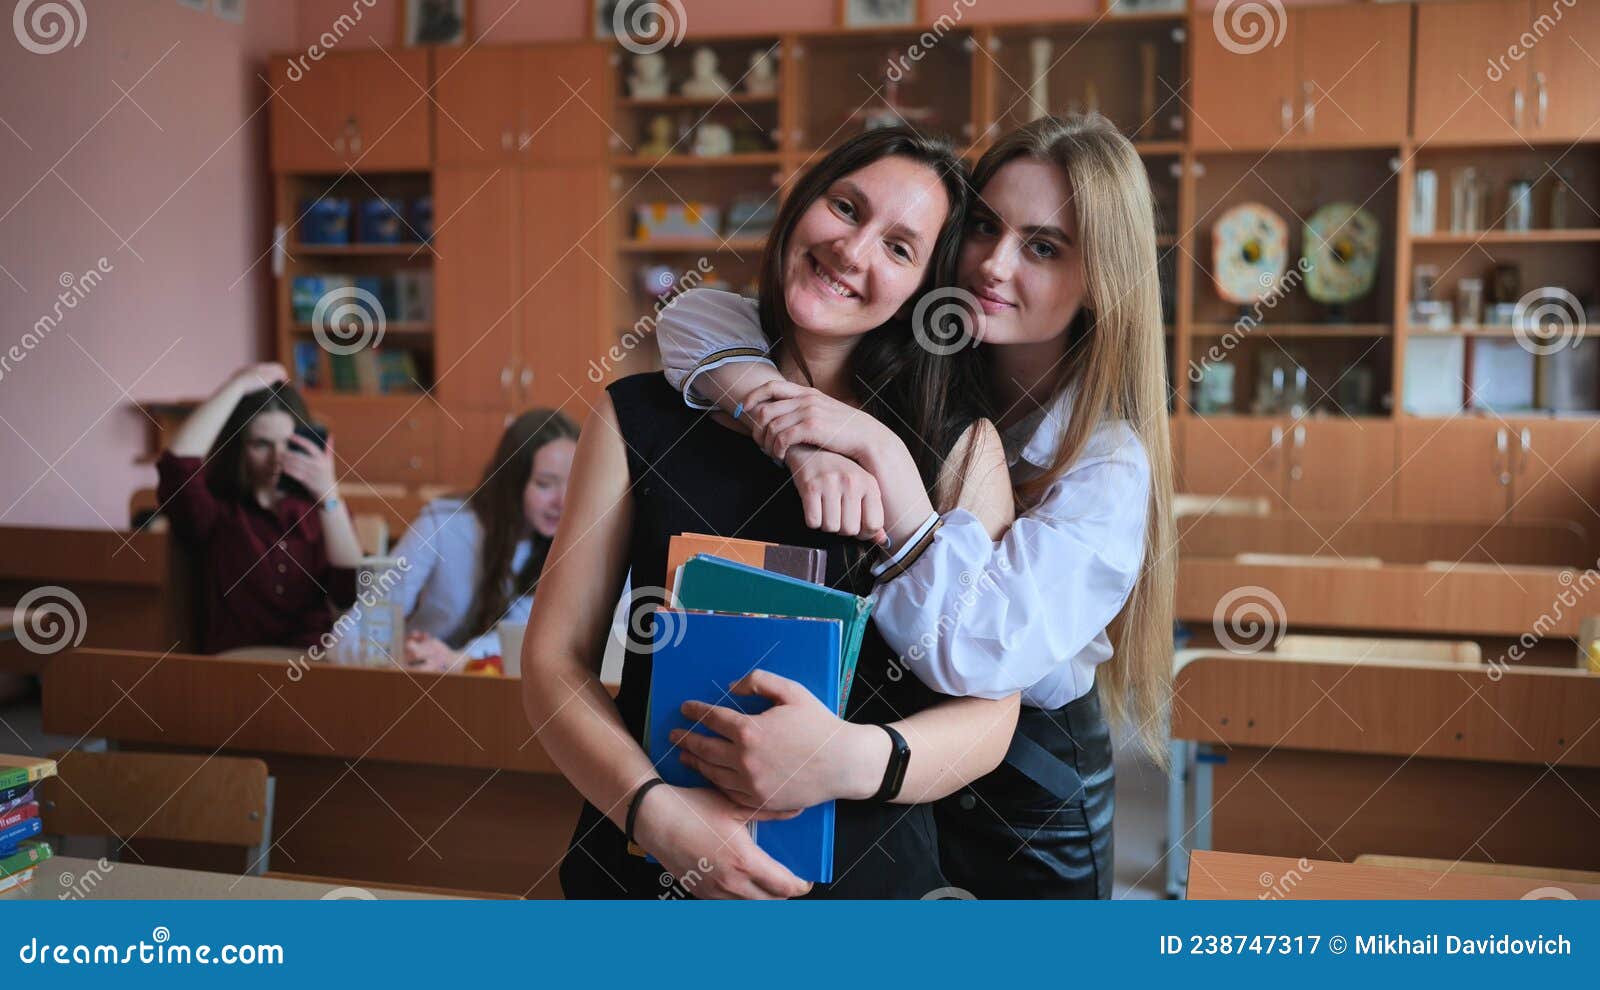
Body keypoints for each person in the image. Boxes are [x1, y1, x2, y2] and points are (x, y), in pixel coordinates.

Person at [653, 112, 1176, 899]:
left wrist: (892, 465)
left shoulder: (1104, 465)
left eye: (1043, 247)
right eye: (985, 228)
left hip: (1024, 796)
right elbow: (696, 317)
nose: (994, 266)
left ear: (1104, 278)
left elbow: (976, 655)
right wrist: (790, 428)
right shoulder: (928, 354)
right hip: (887, 763)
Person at [521, 127, 1020, 900]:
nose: (851, 251)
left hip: (865, 896)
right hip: (642, 872)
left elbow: (991, 711)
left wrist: (848, 757)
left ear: (925, 287)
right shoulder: (638, 416)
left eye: (898, 248)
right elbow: (554, 662)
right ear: (799, 205)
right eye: (844, 207)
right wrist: (654, 814)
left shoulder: (958, 449)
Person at [157, 363, 363, 653]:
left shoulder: (323, 512)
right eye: (261, 445)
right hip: (234, 670)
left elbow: (352, 596)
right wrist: (236, 386)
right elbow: (177, 465)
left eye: (287, 444)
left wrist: (329, 496)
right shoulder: (218, 512)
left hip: (311, 669)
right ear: (239, 448)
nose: (277, 459)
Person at [391, 409, 579, 671]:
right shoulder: (444, 522)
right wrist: (396, 652)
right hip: (418, 670)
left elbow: (523, 636)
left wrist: (456, 659)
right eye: (545, 484)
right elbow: (374, 613)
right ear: (512, 481)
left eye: (574, 485)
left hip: (490, 679)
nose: (561, 502)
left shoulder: (569, 544)